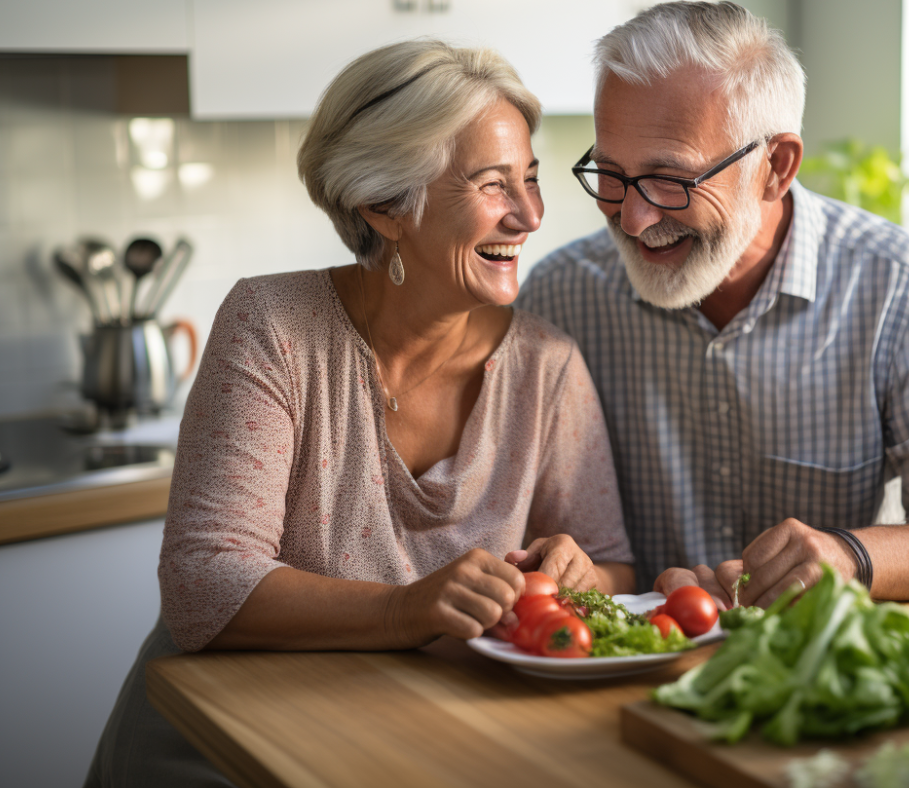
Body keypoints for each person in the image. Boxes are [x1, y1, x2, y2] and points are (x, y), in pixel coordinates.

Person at [86, 41, 634, 787]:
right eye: (492, 185)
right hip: (219, 750)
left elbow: (613, 565)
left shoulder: (547, 364)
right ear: (384, 204)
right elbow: (203, 585)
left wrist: (578, 574)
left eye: (532, 180)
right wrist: (407, 611)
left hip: (401, 750)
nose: (530, 214)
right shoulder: (273, 325)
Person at [515, 1, 909, 609]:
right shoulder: (560, 296)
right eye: (609, 172)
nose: (632, 217)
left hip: (812, 674)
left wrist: (850, 557)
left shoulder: (900, 287)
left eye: (671, 180)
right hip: (621, 667)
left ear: (776, 167)